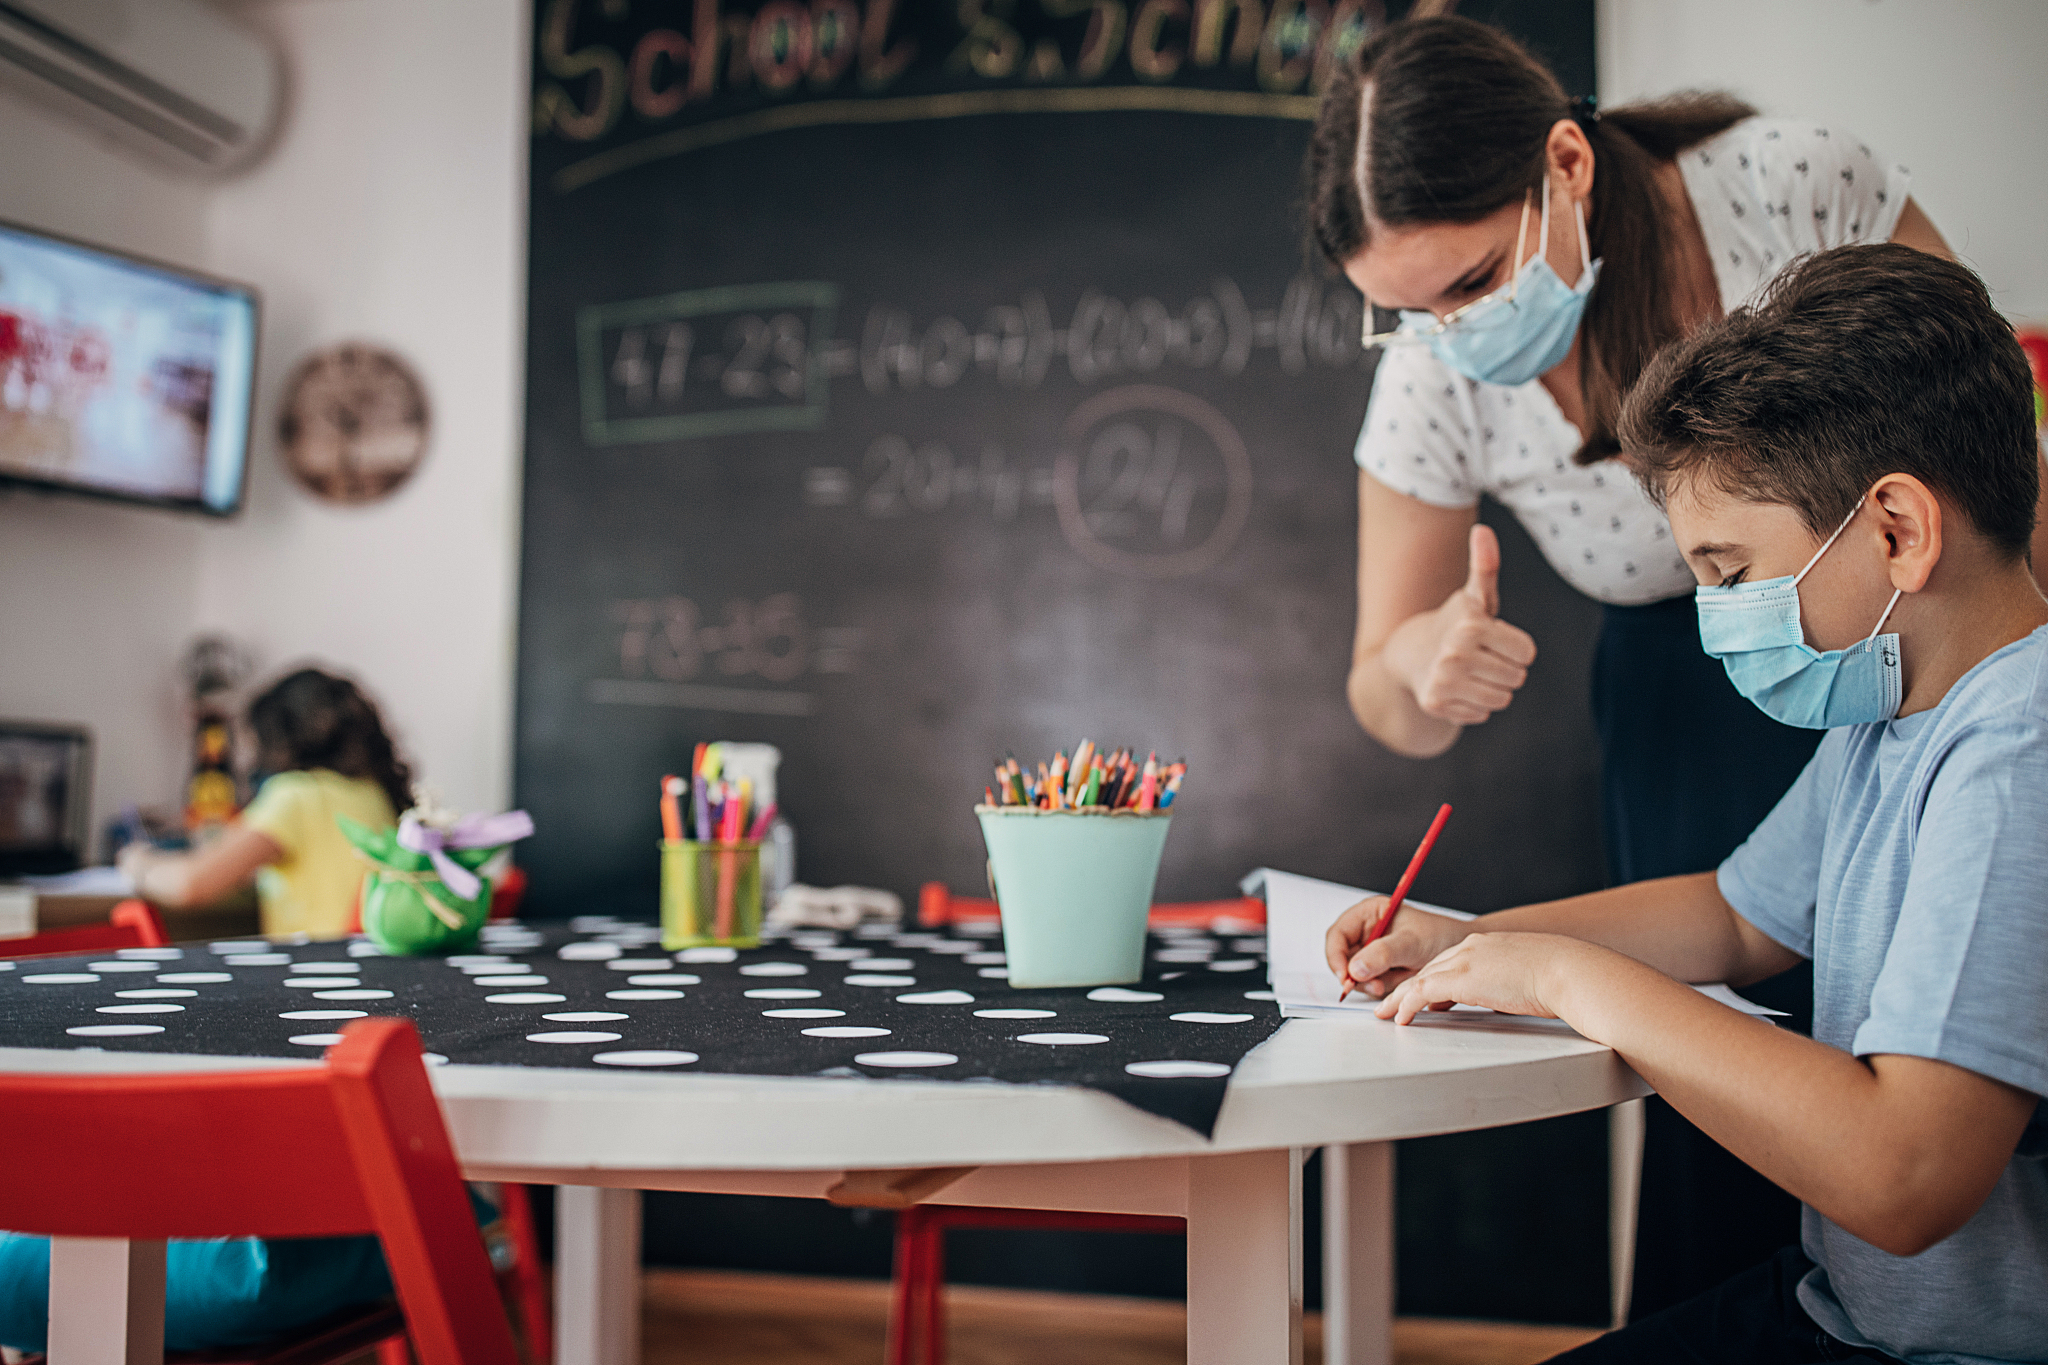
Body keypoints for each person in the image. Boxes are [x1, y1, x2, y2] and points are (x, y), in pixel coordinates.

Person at [1299, 14, 2042, 1311]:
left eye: (1467, 286)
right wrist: (1475, 936)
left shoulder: (2001, 744)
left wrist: (1570, 974)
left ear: (1568, 167)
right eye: (1401, 315)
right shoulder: (1884, 728)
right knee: (1740, 1161)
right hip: (1851, 653)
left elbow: (1972, 423)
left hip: (1914, 633)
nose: (1442, 337)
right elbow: (1740, 917)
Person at [119, 668, 412, 939]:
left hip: (316, 969)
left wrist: (137, 863)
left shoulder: (296, 794)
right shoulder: (371, 791)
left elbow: (190, 886)